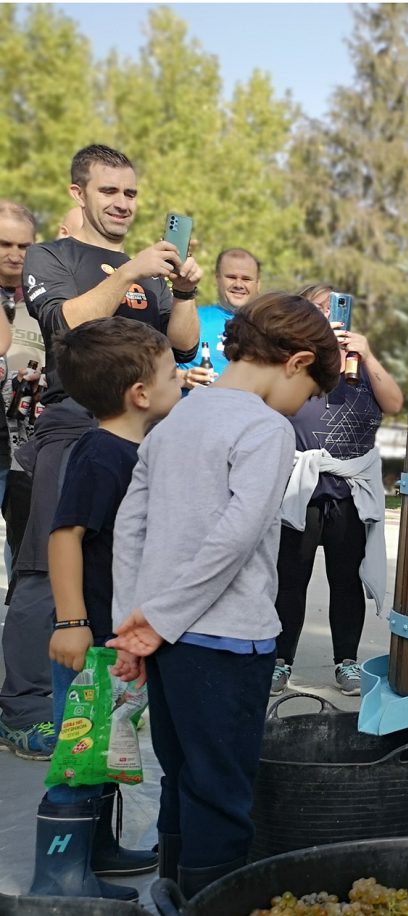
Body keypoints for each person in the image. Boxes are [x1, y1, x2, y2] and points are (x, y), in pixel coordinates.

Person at [106, 292, 340, 896]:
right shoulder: (268, 430)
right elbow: (233, 540)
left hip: (165, 642)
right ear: (298, 362)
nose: (305, 404)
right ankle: (214, 901)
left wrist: (131, 622)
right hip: (227, 642)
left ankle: (171, 890)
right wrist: (155, 620)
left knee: (184, 774)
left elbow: (130, 523)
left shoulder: (175, 416)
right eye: (311, 391)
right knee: (224, 790)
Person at [0, 145, 200, 761]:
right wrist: (129, 273)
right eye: (108, 191)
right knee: (44, 565)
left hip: (146, 431)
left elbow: (184, 348)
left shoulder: (149, 267)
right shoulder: (49, 255)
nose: (121, 203)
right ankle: (25, 710)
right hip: (72, 425)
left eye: (130, 193)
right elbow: (64, 325)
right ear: (78, 193)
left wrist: (186, 291)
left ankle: (97, 720)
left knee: (126, 560)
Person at [29, 317, 181, 900]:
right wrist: (71, 622)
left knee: (105, 746)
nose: (180, 383)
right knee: (80, 754)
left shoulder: (138, 449)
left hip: (117, 638)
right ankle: (59, 879)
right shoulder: (101, 453)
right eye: (172, 374)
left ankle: (97, 849)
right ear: (139, 394)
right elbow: (64, 535)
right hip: (87, 638)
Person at [271, 283, 402, 697]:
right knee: (290, 579)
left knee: (346, 581)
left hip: (349, 489)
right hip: (301, 486)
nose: (330, 314)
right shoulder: (294, 361)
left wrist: (366, 353)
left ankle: (347, 661)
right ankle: (279, 661)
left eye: (335, 307)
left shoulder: (358, 362)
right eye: (319, 307)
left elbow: (395, 402)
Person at [175, 248, 262, 390]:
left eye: (246, 279)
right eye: (231, 277)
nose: (239, 284)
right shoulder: (190, 318)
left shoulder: (269, 327)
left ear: (258, 284)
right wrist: (183, 377)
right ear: (217, 279)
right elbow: (156, 371)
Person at [0, 200, 34, 518]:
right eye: (5, 243)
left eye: (24, 245)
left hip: (29, 447)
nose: (15, 253)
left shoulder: (49, 301)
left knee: (23, 557)